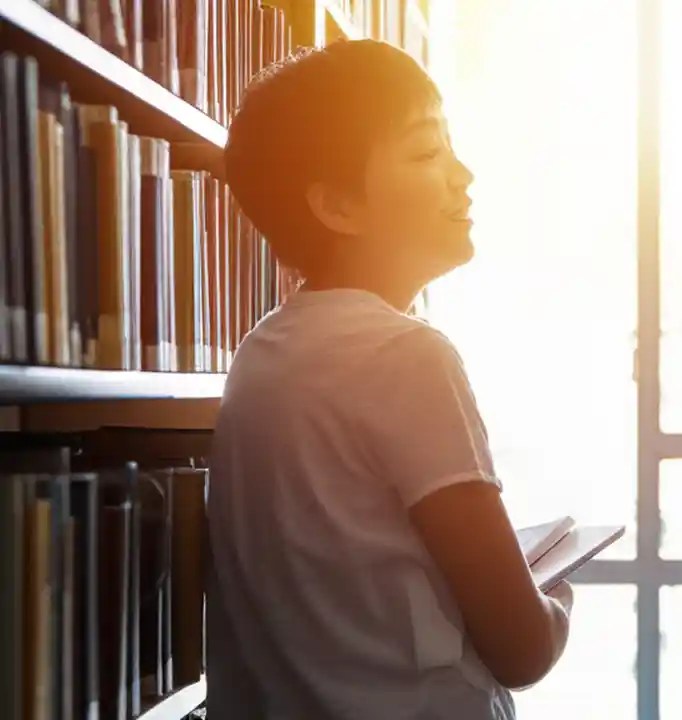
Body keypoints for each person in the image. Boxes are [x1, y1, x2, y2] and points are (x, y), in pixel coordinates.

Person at [205, 39, 572, 720]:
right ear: (338, 206)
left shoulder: (262, 353)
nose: (463, 175)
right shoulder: (406, 356)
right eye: (427, 153)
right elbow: (521, 649)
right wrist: (558, 607)